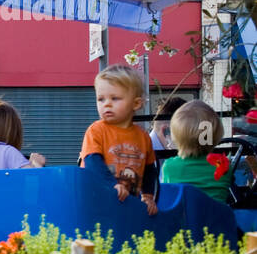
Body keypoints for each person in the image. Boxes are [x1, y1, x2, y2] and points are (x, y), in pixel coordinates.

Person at [79, 64, 158, 216]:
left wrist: (148, 197)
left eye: (115, 98)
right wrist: (112, 185)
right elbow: (92, 162)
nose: (106, 104)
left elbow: (149, 171)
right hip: (96, 202)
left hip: (129, 205)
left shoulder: (143, 137)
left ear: (136, 103)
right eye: (100, 99)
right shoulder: (96, 130)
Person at [160, 100, 232, 203]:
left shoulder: (170, 166)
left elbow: (167, 199)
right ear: (216, 134)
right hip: (217, 218)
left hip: (184, 219)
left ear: (177, 137)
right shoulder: (224, 165)